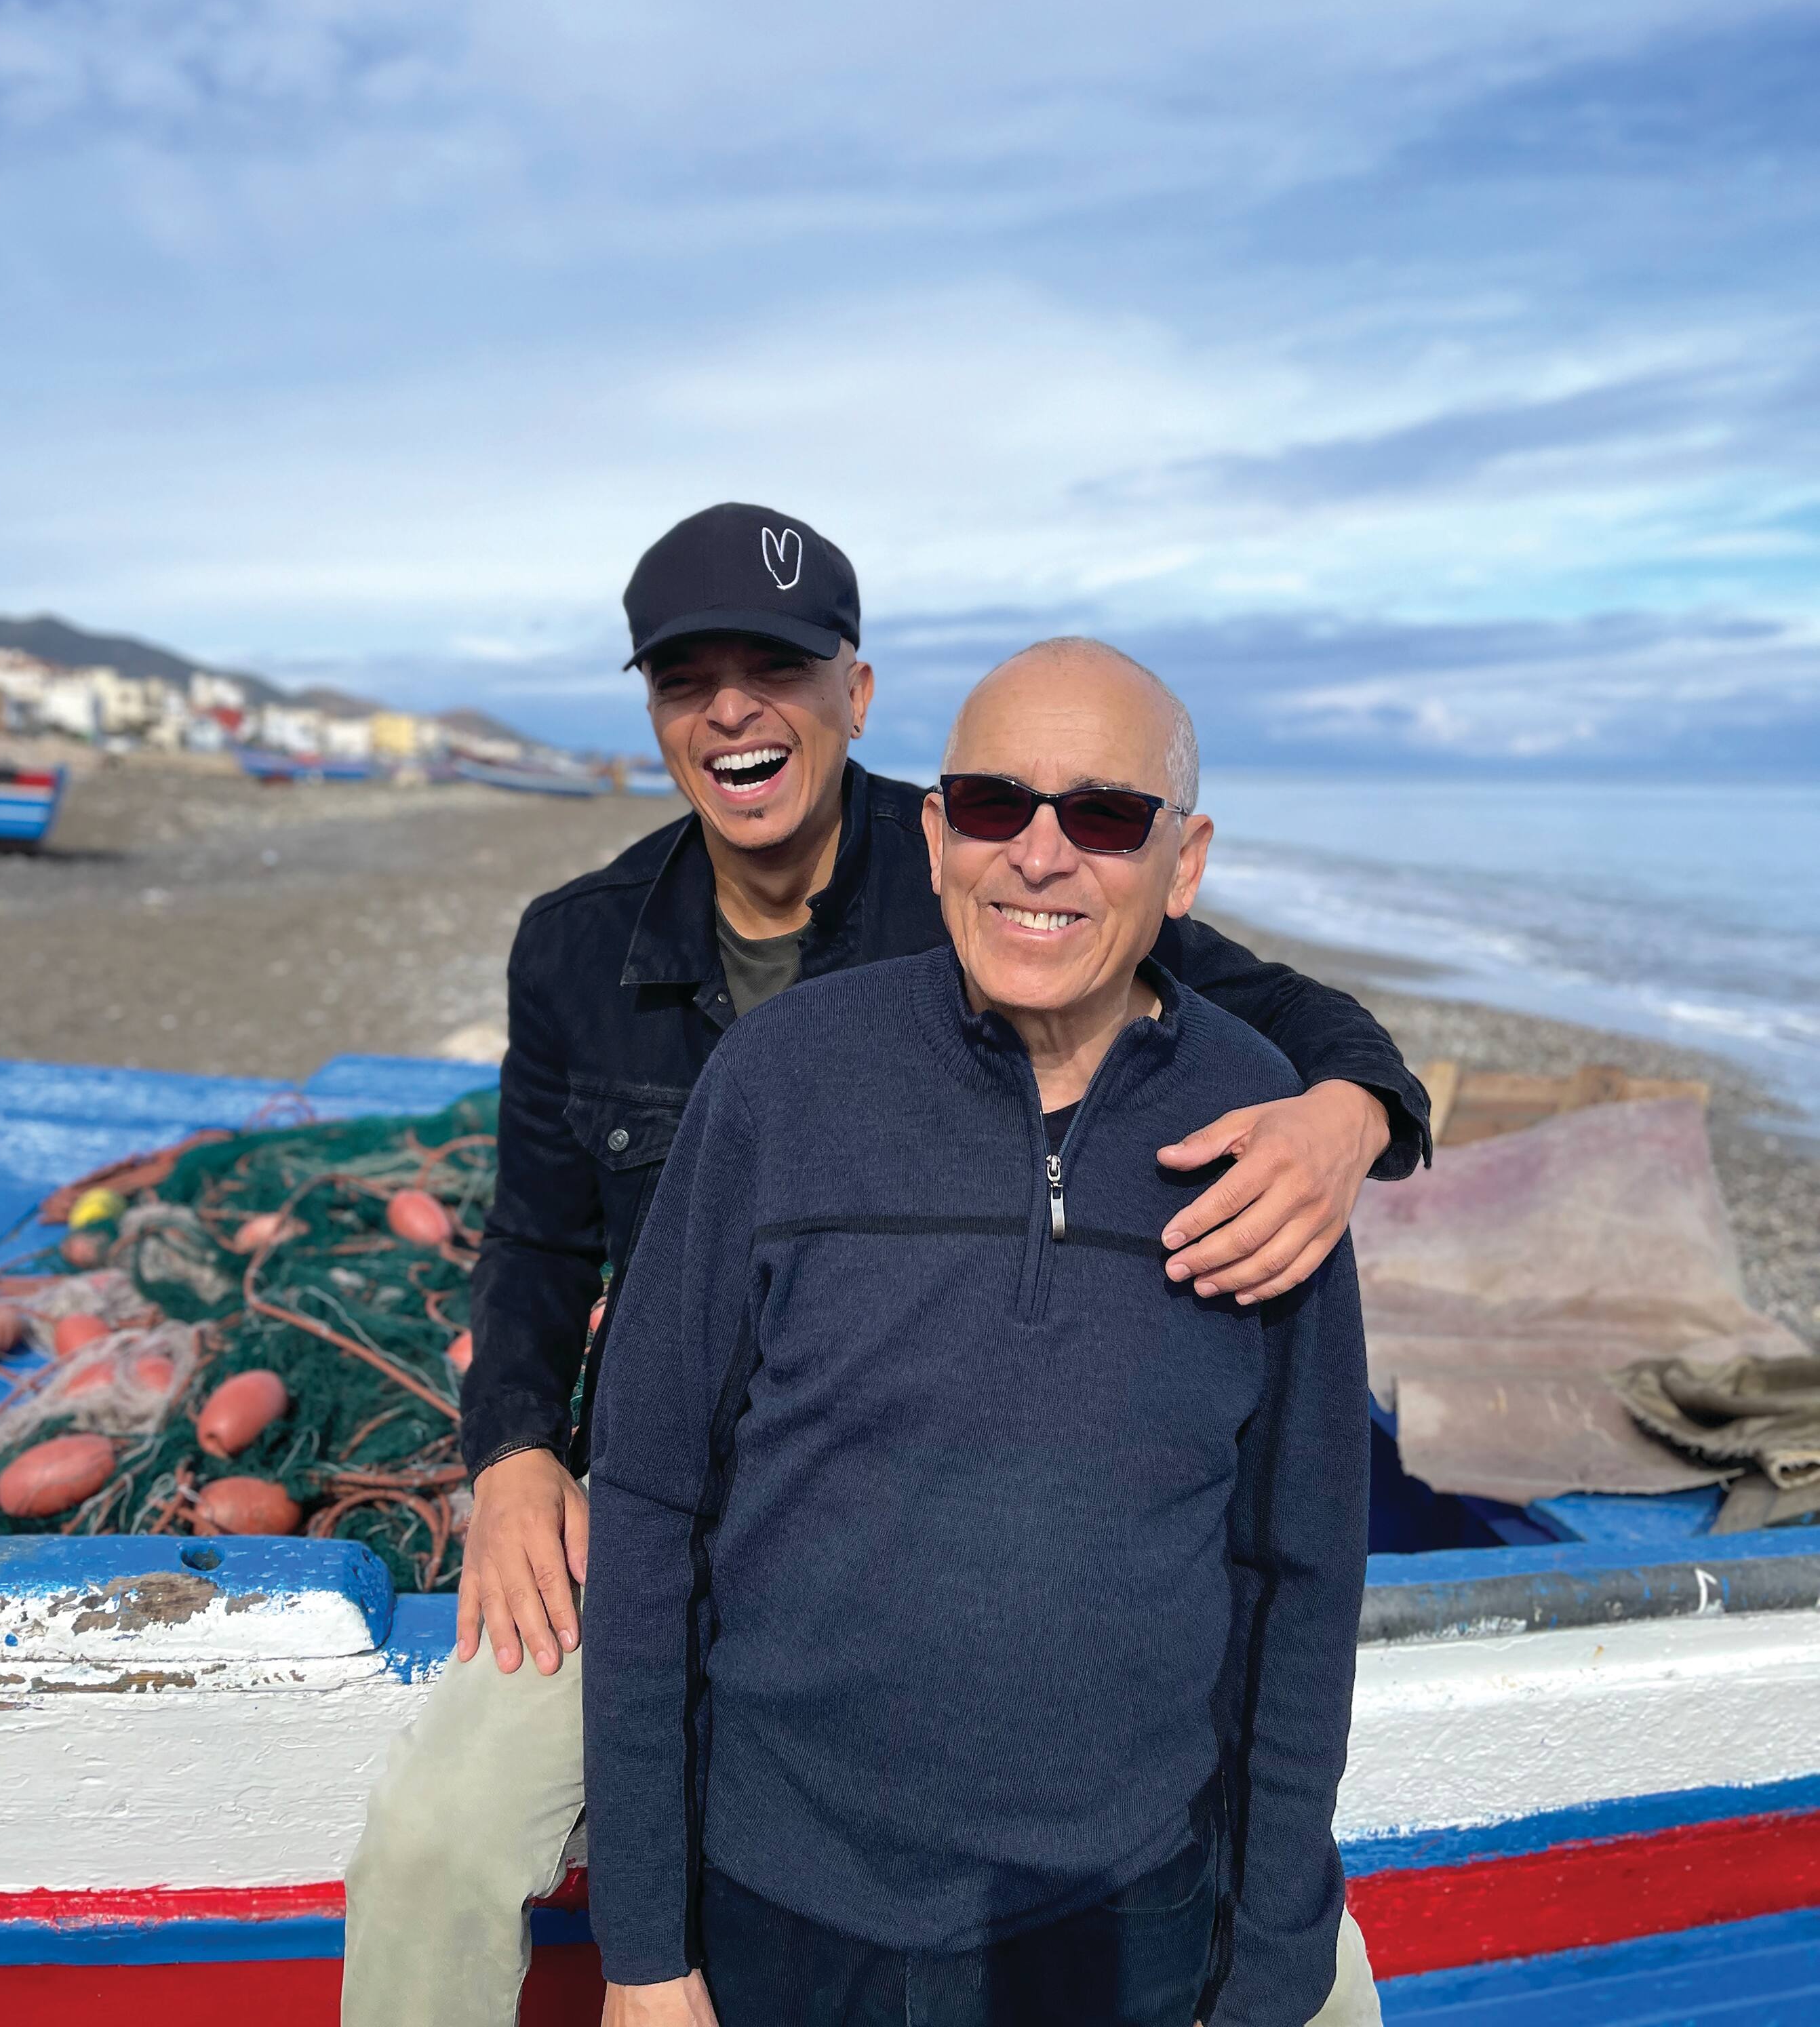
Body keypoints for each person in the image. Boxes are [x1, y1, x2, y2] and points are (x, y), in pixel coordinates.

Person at [342, 507, 1425, 2027]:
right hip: (670, 1490)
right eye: (684, 677)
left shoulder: (999, 861)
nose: (731, 707)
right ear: (655, 714)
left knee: (1327, 1989)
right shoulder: (579, 945)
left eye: (776, 667)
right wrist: (517, 1452)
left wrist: (1345, 1118)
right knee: (437, 1841)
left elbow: (1283, 1015)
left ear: (857, 698)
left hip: (934, 1523)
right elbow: (533, 1238)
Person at [586, 637, 1370, 2027]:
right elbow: (650, 1501)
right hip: (778, 1903)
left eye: (1107, 817)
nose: (1044, 856)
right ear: (941, 835)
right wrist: (647, 1951)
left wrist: (1268, 1974)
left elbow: (1300, 1571)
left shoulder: (1262, 1131)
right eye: (999, 806)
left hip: (1119, 1918)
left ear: (1182, 866)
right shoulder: (778, 1082)